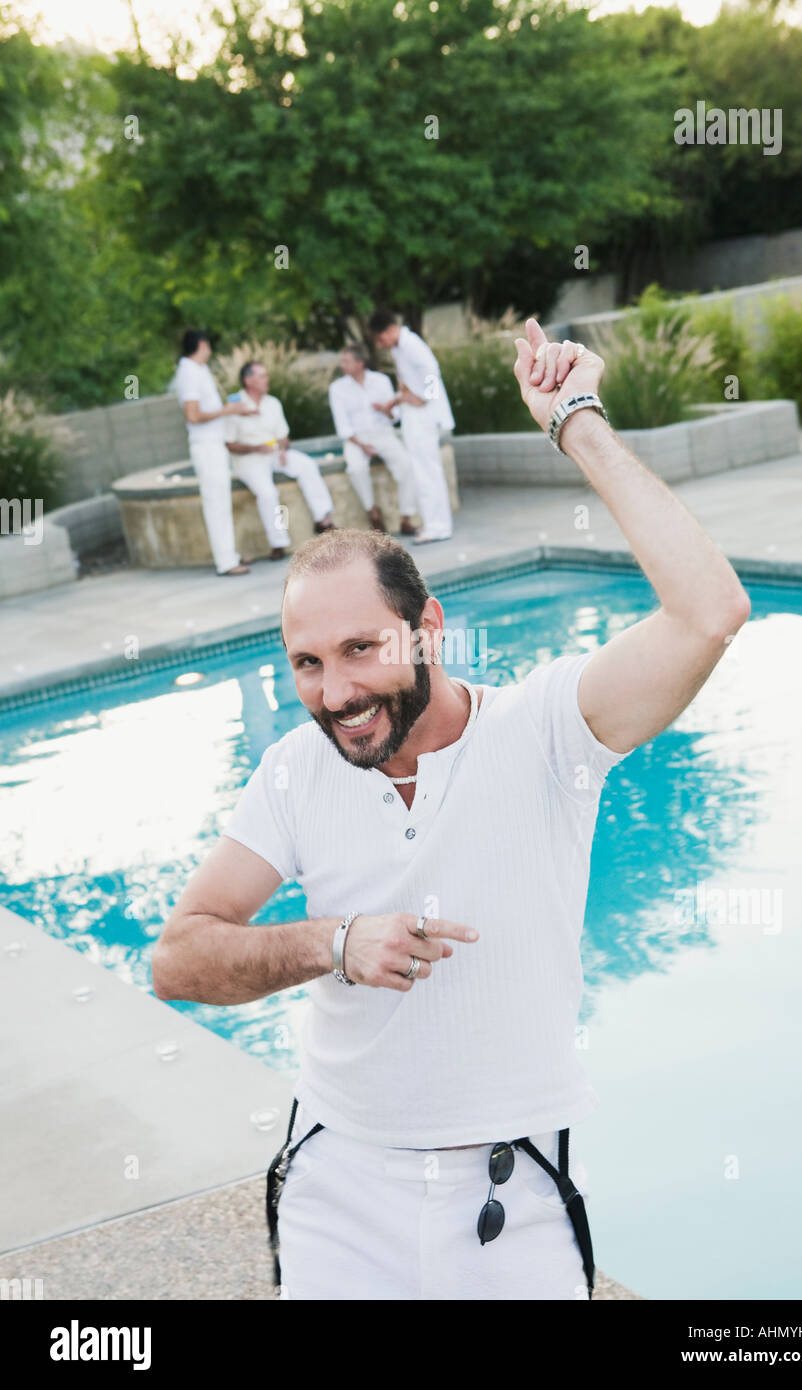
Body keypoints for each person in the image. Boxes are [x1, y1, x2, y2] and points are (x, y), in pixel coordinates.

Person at [151, 318, 750, 1300]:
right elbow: (177, 955)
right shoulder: (297, 771)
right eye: (306, 662)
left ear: (428, 627)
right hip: (338, 1187)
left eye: (358, 650)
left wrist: (575, 422)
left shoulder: (546, 731)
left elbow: (707, 611)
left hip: (511, 1201)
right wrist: (332, 942)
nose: (333, 691)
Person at [225, 362, 336, 559]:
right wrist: (255, 448)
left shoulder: (273, 403)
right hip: (249, 458)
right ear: (248, 380)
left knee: (306, 465)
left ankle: (323, 520)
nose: (266, 379)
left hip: (275, 452)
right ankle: (278, 542)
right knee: (268, 493)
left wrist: (282, 449)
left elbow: (284, 436)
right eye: (261, 376)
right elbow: (230, 444)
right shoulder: (235, 405)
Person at [173, 329, 257, 576]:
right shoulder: (188, 371)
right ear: (201, 344)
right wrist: (227, 411)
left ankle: (230, 554)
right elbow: (192, 415)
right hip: (205, 446)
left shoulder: (199, 369)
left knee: (222, 501)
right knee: (216, 503)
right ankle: (226, 562)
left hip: (215, 444)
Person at [368, 309, 455, 544]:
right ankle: (433, 524)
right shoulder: (400, 348)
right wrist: (394, 402)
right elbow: (410, 385)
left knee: (427, 471)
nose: (381, 344)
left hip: (423, 416)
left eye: (380, 339)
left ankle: (438, 527)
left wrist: (424, 398)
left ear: (388, 330)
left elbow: (431, 373)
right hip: (414, 415)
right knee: (422, 470)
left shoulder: (411, 344)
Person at [328, 344, 420, 537]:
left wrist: (386, 410)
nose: (342, 365)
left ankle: (406, 517)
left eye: (346, 361)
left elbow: (394, 416)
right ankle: (373, 512)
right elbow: (342, 426)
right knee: (356, 468)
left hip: (383, 434)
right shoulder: (337, 388)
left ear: (360, 363)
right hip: (356, 439)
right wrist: (362, 446)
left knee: (407, 465)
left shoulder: (381, 381)